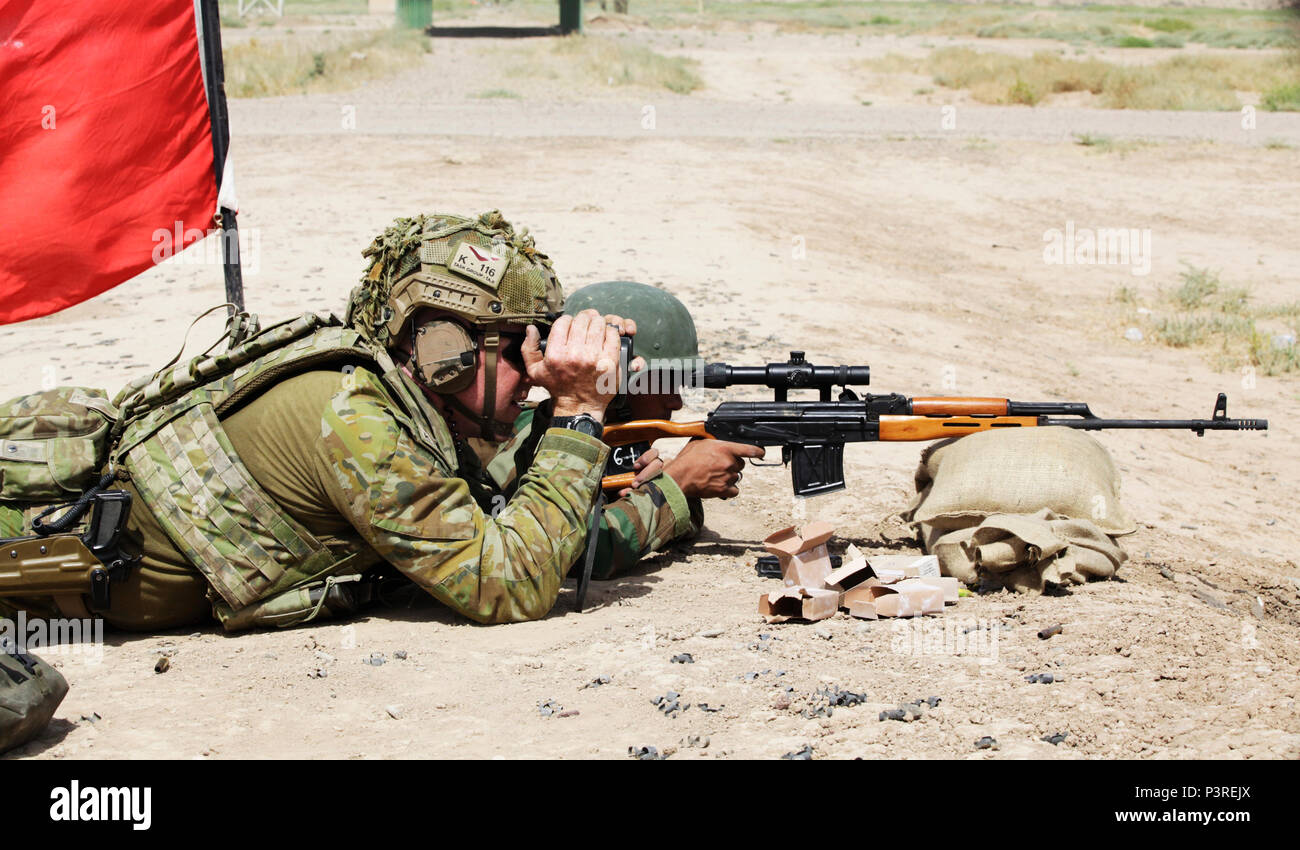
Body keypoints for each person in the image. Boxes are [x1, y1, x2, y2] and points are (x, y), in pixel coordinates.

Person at [0, 211, 634, 630]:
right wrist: (578, 415)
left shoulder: (394, 403)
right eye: (518, 347)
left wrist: (668, 495)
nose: (534, 368)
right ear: (444, 351)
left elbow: (508, 516)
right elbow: (511, 581)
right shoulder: (359, 424)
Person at [468, 281, 764, 579]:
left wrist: (652, 490)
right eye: (662, 383)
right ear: (616, 386)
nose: (675, 400)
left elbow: (682, 520)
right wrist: (675, 484)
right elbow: (571, 553)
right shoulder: (519, 440)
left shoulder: (600, 439)